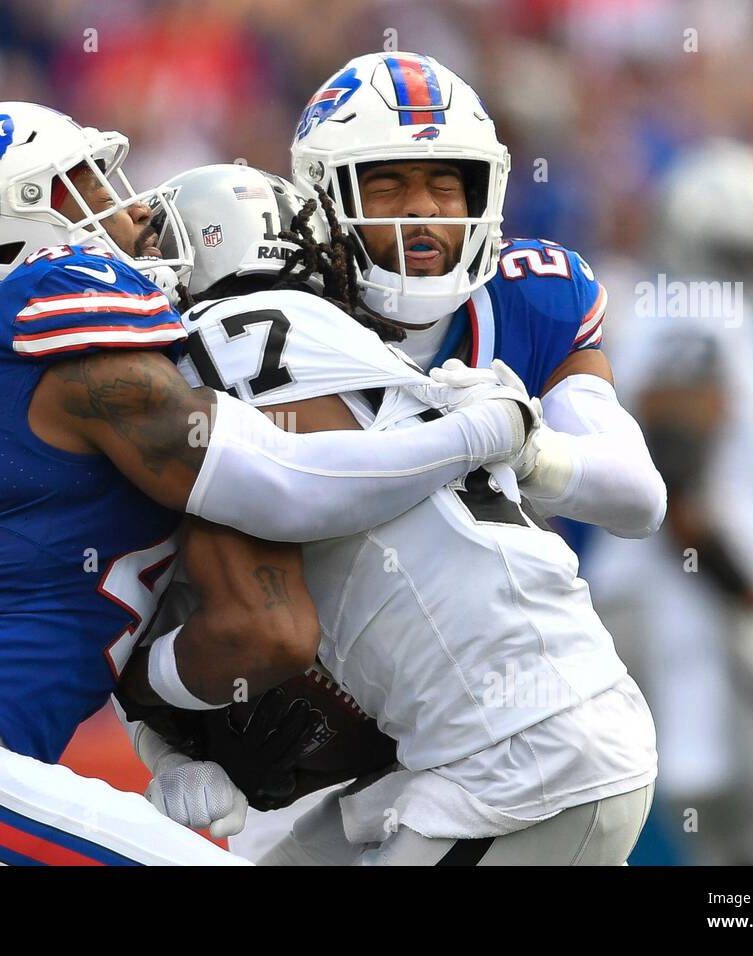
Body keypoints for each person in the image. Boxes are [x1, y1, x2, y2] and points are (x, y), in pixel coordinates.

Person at [0, 102, 535, 866]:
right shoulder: (55, 288)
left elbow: (100, 605)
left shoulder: (20, 371)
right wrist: (475, 430)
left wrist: (167, 752)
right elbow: (270, 479)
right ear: (14, 228)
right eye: (85, 184)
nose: (132, 209)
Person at [121, 164, 657, 865]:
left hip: (523, 764)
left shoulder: (210, 353)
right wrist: (163, 747)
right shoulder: (340, 344)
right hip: (515, 737)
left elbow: (260, 594)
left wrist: (145, 700)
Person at [584, 141, 753, 865]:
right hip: (704, 617)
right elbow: (682, 495)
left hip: (704, 610)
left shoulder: (680, 320)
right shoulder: (695, 324)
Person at [290, 52, 665, 540]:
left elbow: (640, 499)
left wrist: (527, 449)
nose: (423, 208)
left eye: (445, 184)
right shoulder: (285, 310)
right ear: (324, 199)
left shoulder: (531, 298)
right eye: (386, 185)